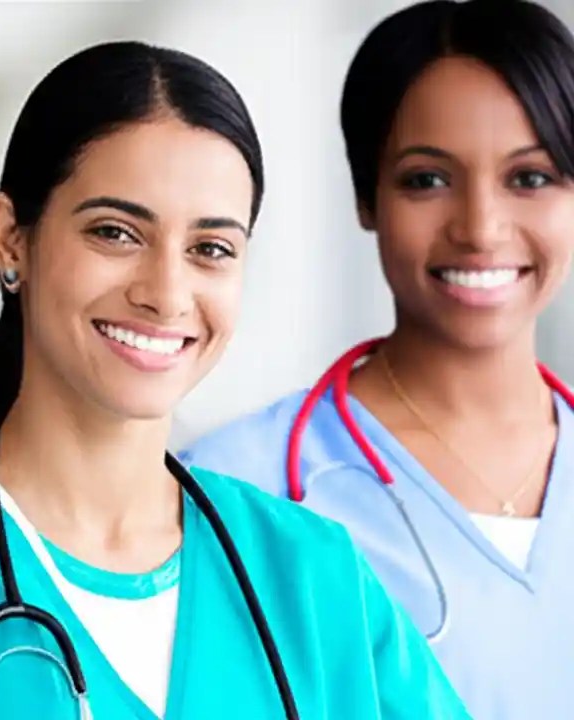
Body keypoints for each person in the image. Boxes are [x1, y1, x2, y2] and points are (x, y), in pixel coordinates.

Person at [0, 41, 467, 719]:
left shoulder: (312, 577)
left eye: (211, 248)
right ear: (9, 236)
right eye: (116, 232)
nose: (166, 292)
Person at [179, 1, 574, 718]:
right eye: (427, 179)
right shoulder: (241, 486)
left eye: (531, 178)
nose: (481, 228)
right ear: (366, 196)